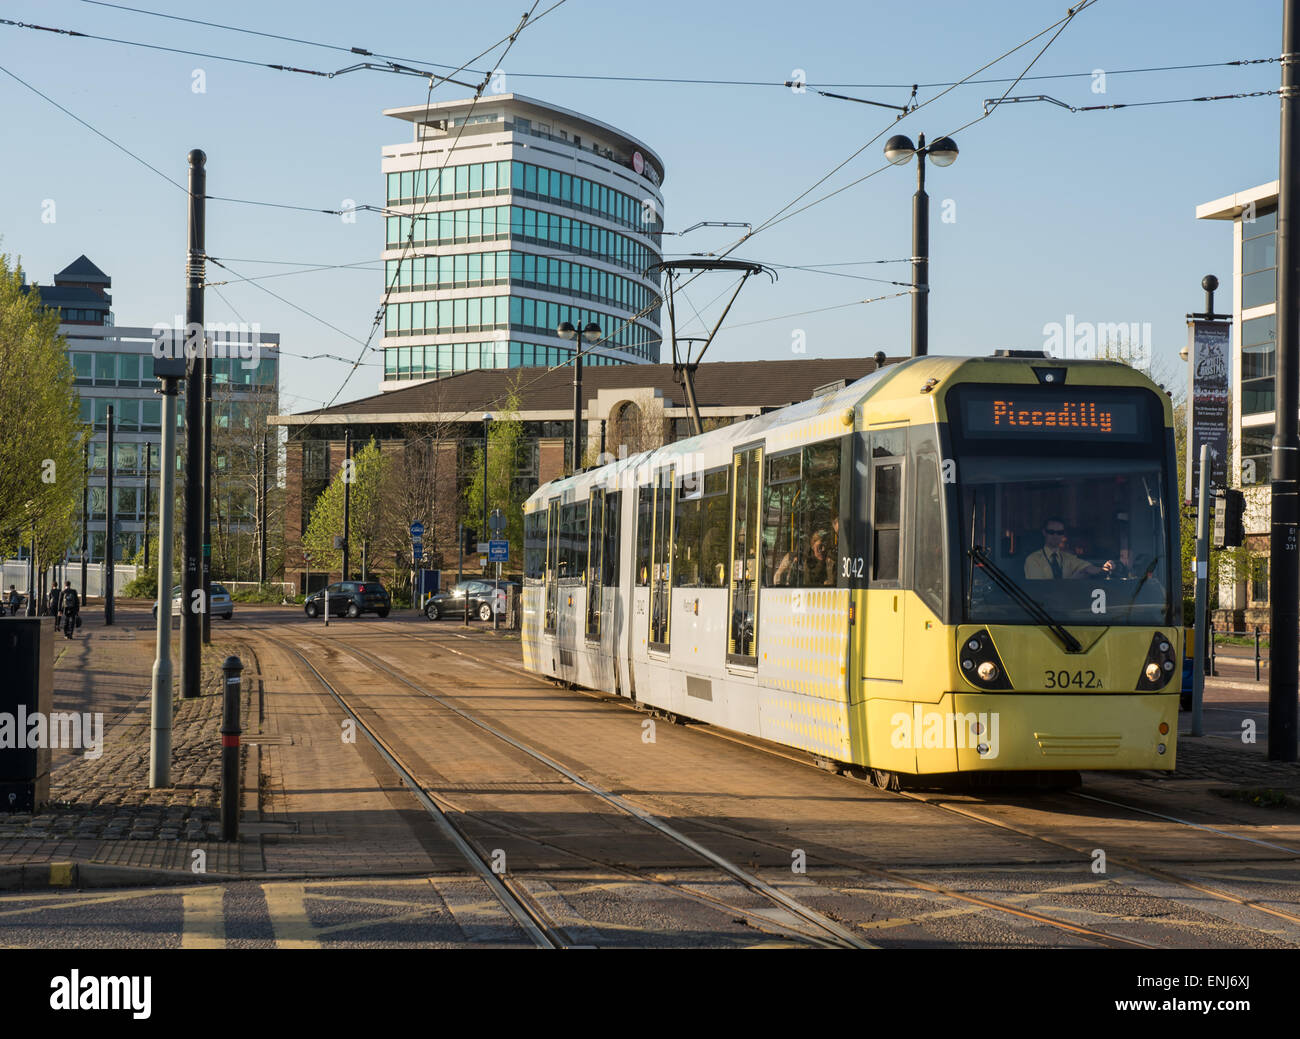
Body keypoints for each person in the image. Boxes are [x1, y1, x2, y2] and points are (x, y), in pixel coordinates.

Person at [1024, 518, 1115, 580]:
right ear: (1044, 532)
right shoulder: (1033, 560)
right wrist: (1071, 581)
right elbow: (1038, 590)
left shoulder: (1069, 558)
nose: (1055, 536)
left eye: (1059, 532)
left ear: (1063, 534)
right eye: (1051, 532)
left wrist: (1105, 567)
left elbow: (1088, 568)